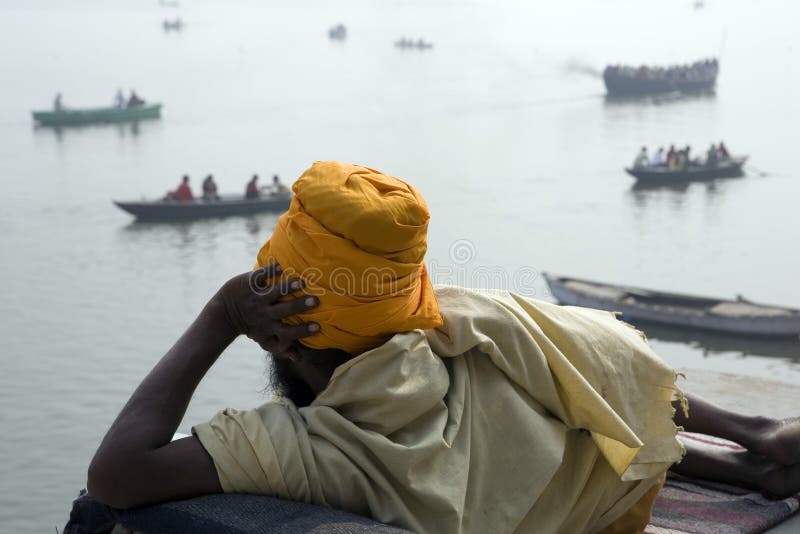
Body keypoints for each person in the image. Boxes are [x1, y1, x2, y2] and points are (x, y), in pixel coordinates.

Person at [87, 162, 800, 533]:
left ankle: (751, 456)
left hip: (565, 508)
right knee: (574, 391)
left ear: (281, 335)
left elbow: (116, 474)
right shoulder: (457, 333)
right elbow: (609, 358)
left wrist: (218, 313)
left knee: (568, 395)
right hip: (589, 486)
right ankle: (750, 440)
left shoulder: (314, 444)